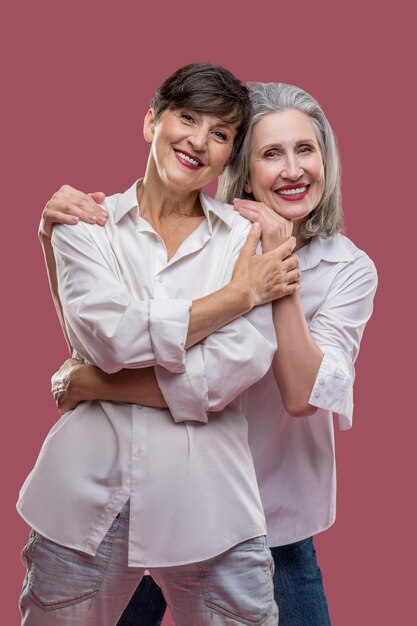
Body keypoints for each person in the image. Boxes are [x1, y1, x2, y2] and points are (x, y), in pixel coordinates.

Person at [36, 81, 378, 626]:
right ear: (240, 168)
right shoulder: (206, 240)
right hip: (168, 498)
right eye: (271, 154)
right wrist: (53, 234)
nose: (292, 170)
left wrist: (96, 386)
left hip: (272, 520)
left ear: (326, 159)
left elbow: (301, 395)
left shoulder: (349, 269)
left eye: (305, 150)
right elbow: (118, 339)